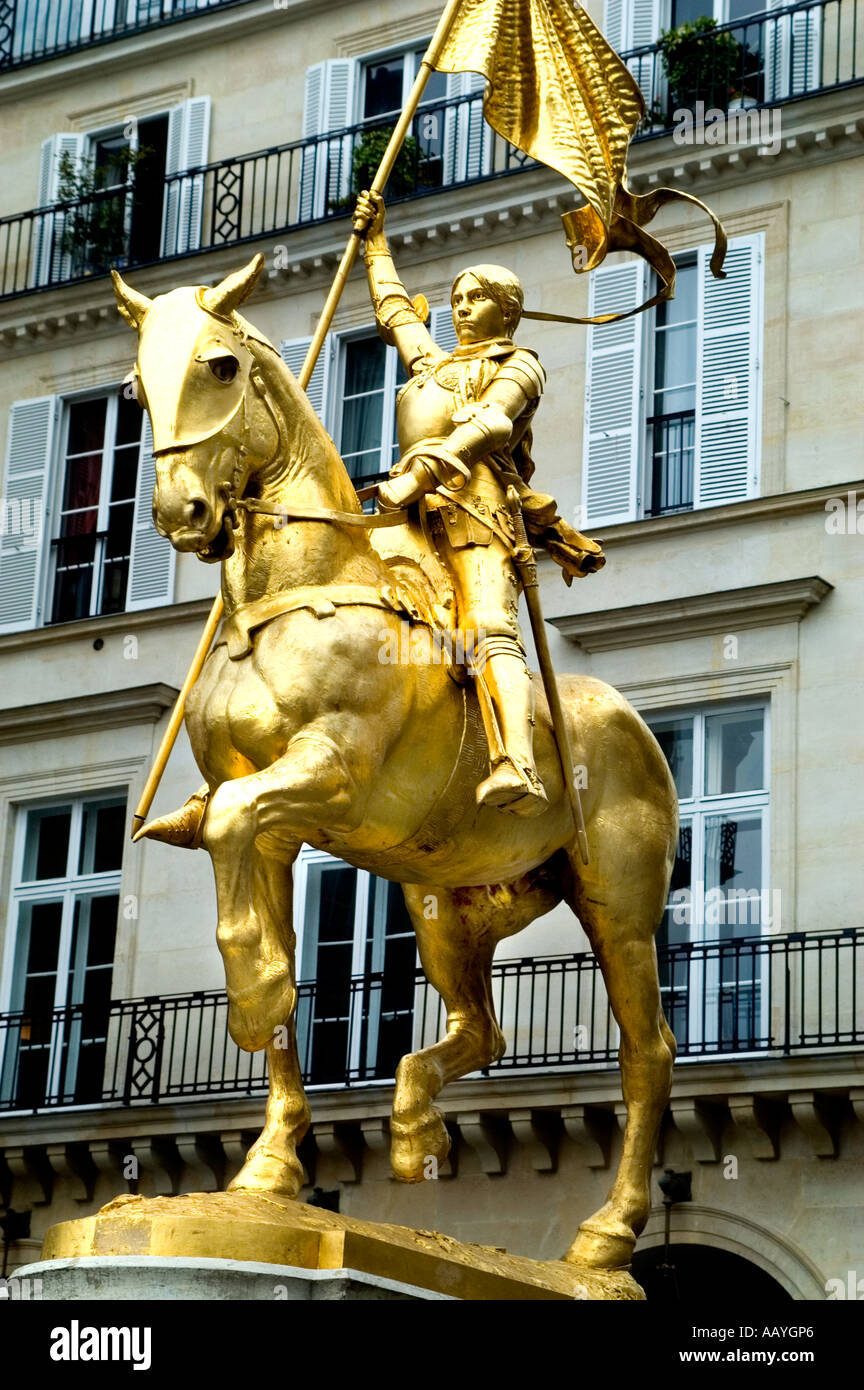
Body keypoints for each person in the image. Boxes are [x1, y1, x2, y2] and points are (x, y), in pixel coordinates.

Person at [352, 189, 603, 818]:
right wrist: (376, 243)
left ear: (507, 310)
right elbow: (393, 312)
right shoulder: (432, 365)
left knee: (490, 627)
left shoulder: (520, 363)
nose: (462, 308)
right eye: (458, 299)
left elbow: (492, 423)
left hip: (478, 509)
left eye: (477, 298)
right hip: (403, 511)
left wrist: (422, 472)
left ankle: (515, 761)